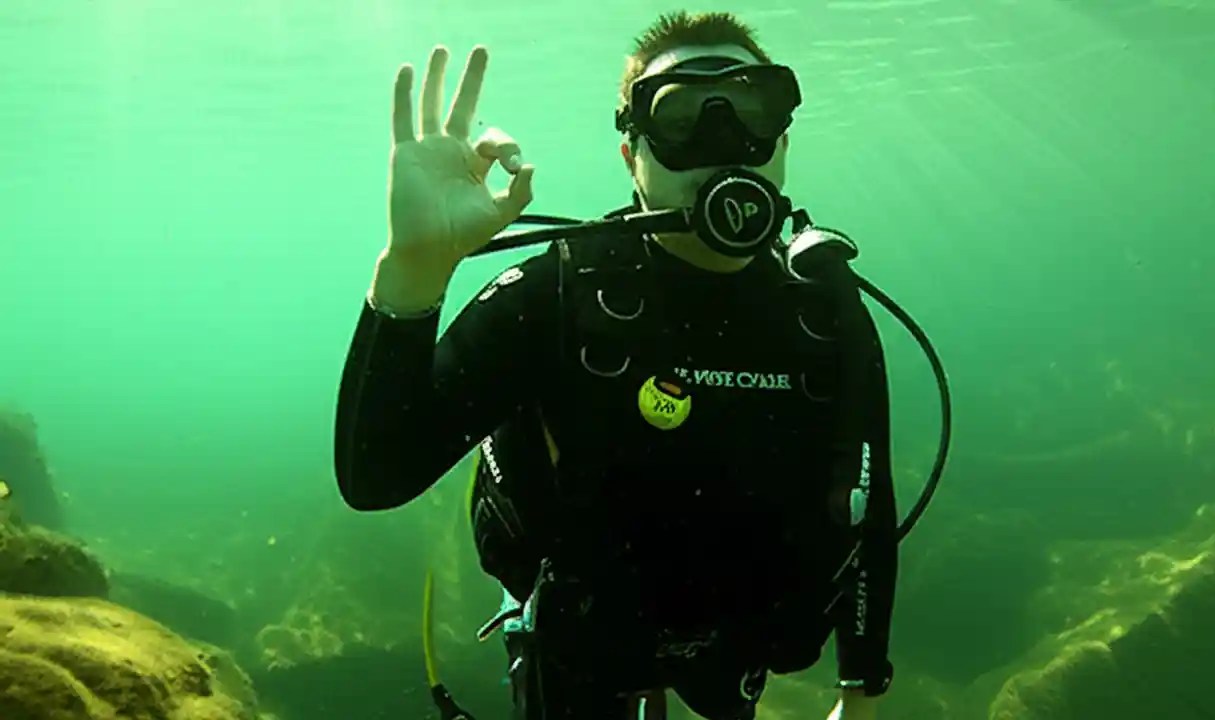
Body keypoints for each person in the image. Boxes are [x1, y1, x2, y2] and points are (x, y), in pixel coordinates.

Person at [334, 11, 898, 720]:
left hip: (736, 643)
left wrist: (860, 690)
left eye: (751, 105)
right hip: (579, 639)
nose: (725, 142)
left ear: (782, 137)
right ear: (631, 153)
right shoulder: (560, 297)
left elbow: (869, 504)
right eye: (681, 113)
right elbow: (375, 474)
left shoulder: (825, 312)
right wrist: (412, 272)